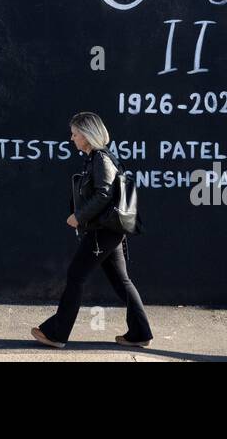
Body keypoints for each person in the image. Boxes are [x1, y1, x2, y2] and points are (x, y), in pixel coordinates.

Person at [32, 112, 152, 348]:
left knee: (76, 276)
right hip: (109, 230)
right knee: (121, 281)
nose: (72, 138)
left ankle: (57, 334)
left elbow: (104, 193)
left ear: (87, 135)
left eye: (75, 134)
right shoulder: (95, 158)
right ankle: (140, 333)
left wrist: (79, 216)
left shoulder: (100, 158)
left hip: (102, 231)